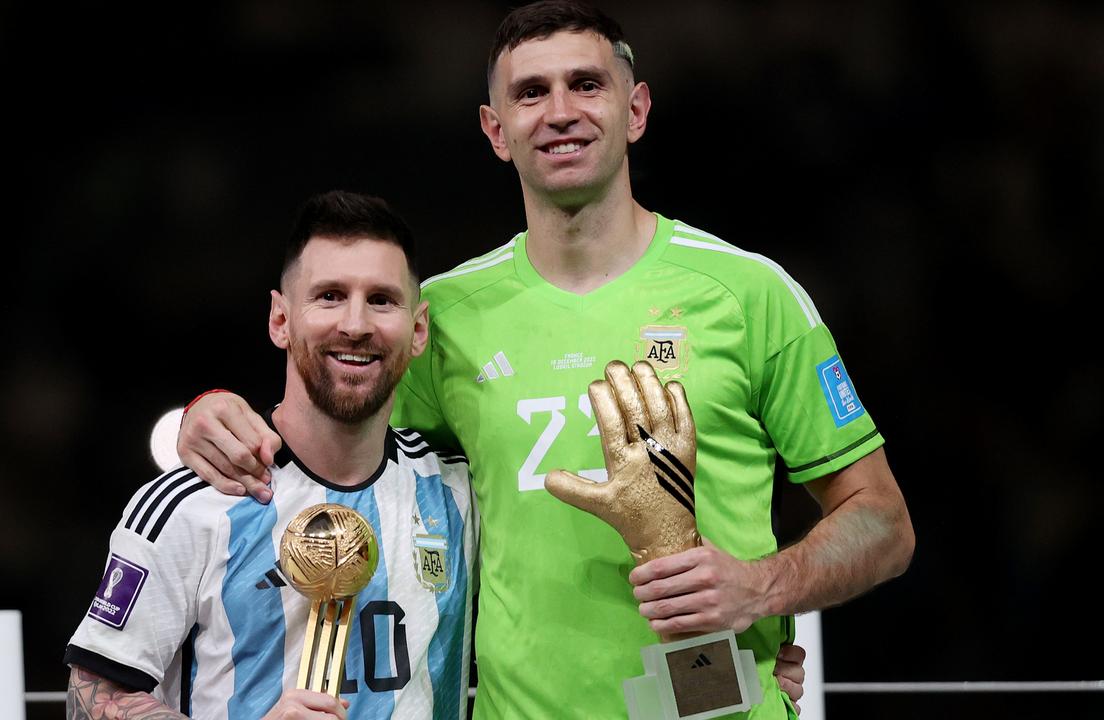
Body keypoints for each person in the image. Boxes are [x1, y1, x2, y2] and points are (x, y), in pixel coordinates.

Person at [180, 2, 911, 718]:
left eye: (586, 84)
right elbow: (323, 445)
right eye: (531, 93)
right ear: (496, 131)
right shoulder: (444, 315)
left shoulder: (751, 294)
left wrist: (763, 587)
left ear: (637, 110)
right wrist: (210, 412)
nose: (560, 111)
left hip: (718, 708)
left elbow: (881, 520)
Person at [65, 191, 476, 719]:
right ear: (280, 319)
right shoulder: (191, 503)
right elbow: (89, 695)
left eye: (381, 299)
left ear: (417, 329)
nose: (355, 324)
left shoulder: (459, 491)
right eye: (329, 296)